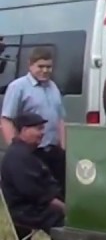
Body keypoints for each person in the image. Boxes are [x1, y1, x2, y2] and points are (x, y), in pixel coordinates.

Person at [1, 47, 68, 190]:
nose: (45, 70)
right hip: (32, 152)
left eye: (48, 67)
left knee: (59, 191)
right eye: (40, 66)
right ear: (30, 65)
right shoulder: (18, 87)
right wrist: (16, 150)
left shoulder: (53, 87)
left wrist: (63, 147)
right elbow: (6, 120)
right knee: (37, 193)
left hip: (54, 151)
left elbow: (60, 119)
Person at [1, 112, 66, 233]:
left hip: (36, 207)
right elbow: (37, 193)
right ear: (24, 130)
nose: (42, 133)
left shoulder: (27, 154)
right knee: (72, 222)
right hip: (28, 211)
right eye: (38, 129)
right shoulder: (18, 157)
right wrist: (65, 208)